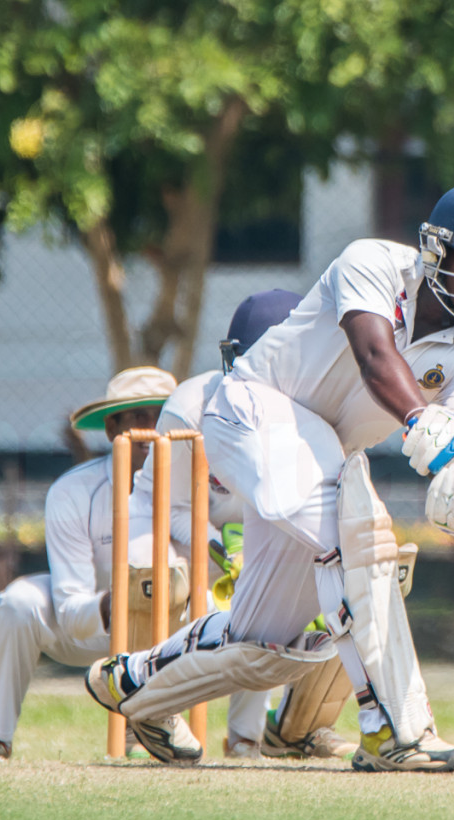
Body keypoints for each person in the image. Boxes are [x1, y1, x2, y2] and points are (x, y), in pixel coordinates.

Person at [85, 183, 454, 773]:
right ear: (436, 250)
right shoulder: (372, 262)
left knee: (268, 646)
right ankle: (396, 730)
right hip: (250, 410)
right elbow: (375, 354)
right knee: (362, 538)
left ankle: (136, 686)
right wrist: (421, 418)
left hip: (322, 457)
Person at [128, 289, 361, 761]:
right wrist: (219, 550)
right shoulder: (191, 407)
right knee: (165, 581)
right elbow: (173, 510)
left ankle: (263, 736)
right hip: (162, 526)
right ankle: (145, 713)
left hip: (247, 530)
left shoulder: (315, 413)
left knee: (330, 583)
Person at [0, 366, 193, 761]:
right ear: (113, 428)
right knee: (19, 601)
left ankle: (243, 739)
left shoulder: (197, 481)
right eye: (137, 416)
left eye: (161, 415)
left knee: (242, 600)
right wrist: (114, 603)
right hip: (92, 634)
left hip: (176, 637)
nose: (151, 430)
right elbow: (69, 610)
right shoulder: (73, 491)